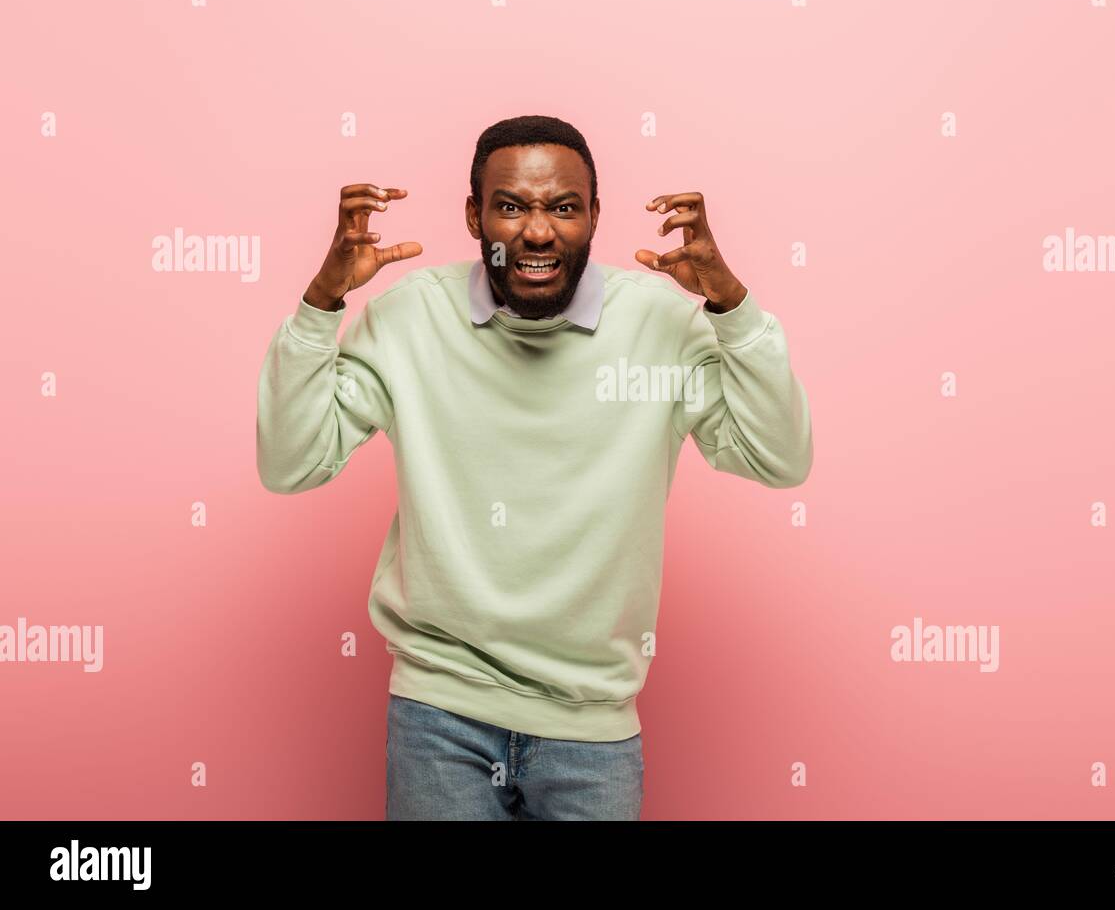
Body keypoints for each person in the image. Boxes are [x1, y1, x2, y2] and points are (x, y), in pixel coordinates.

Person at [256, 115, 813, 820]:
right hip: (440, 714)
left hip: (593, 733)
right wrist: (319, 305)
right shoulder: (410, 319)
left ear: (594, 217)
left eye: (563, 207)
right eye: (511, 206)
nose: (538, 232)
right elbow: (290, 462)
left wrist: (731, 306)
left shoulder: (660, 326)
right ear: (474, 214)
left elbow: (780, 456)